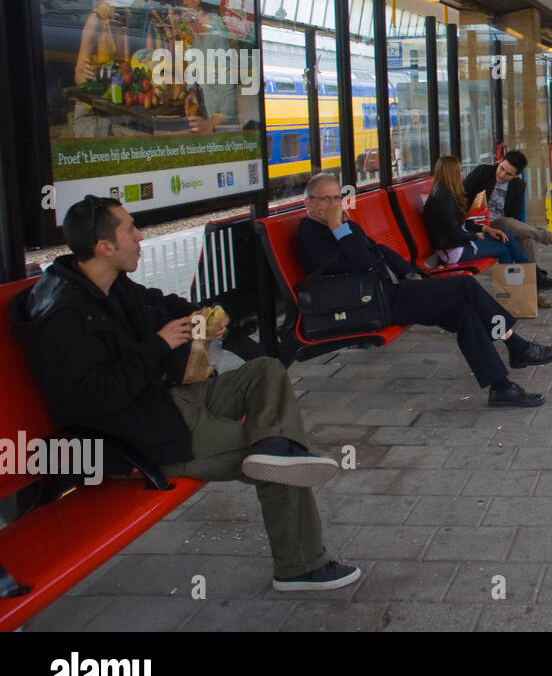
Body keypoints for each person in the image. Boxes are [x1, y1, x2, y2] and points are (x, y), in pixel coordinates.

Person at [11, 195, 360, 591]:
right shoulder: (64, 317)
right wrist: (158, 344)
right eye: (130, 229)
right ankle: (301, 566)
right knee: (279, 461)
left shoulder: (107, 281)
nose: (140, 236)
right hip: (139, 435)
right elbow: (93, 398)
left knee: (265, 371)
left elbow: (159, 304)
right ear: (105, 247)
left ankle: (276, 445)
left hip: (165, 399)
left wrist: (200, 318)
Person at [297, 172, 552, 405]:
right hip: (372, 303)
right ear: (309, 203)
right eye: (326, 199)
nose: (334, 205)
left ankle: (501, 387)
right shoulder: (311, 235)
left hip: (393, 290)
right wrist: (338, 227)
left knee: (465, 313)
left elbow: (381, 250)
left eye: (337, 198)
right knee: (465, 285)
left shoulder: (345, 226)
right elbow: (361, 263)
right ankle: (516, 346)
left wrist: (410, 272)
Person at [422, 155, 552, 309]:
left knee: (508, 237)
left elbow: (460, 223)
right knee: (505, 246)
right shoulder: (444, 199)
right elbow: (455, 234)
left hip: (457, 244)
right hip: (453, 250)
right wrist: (475, 236)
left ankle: (516, 293)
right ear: (451, 174)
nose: (462, 175)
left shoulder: (445, 194)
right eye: (459, 171)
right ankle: (527, 287)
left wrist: (485, 229)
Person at [463, 150, 552, 290]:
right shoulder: (482, 172)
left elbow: (515, 217)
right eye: (501, 168)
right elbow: (462, 195)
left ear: (516, 175)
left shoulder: (518, 186)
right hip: (477, 223)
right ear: (500, 162)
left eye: (508, 174)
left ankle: (535, 282)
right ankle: (548, 238)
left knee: (527, 238)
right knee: (508, 223)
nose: (502, 174)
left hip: (501, 225)